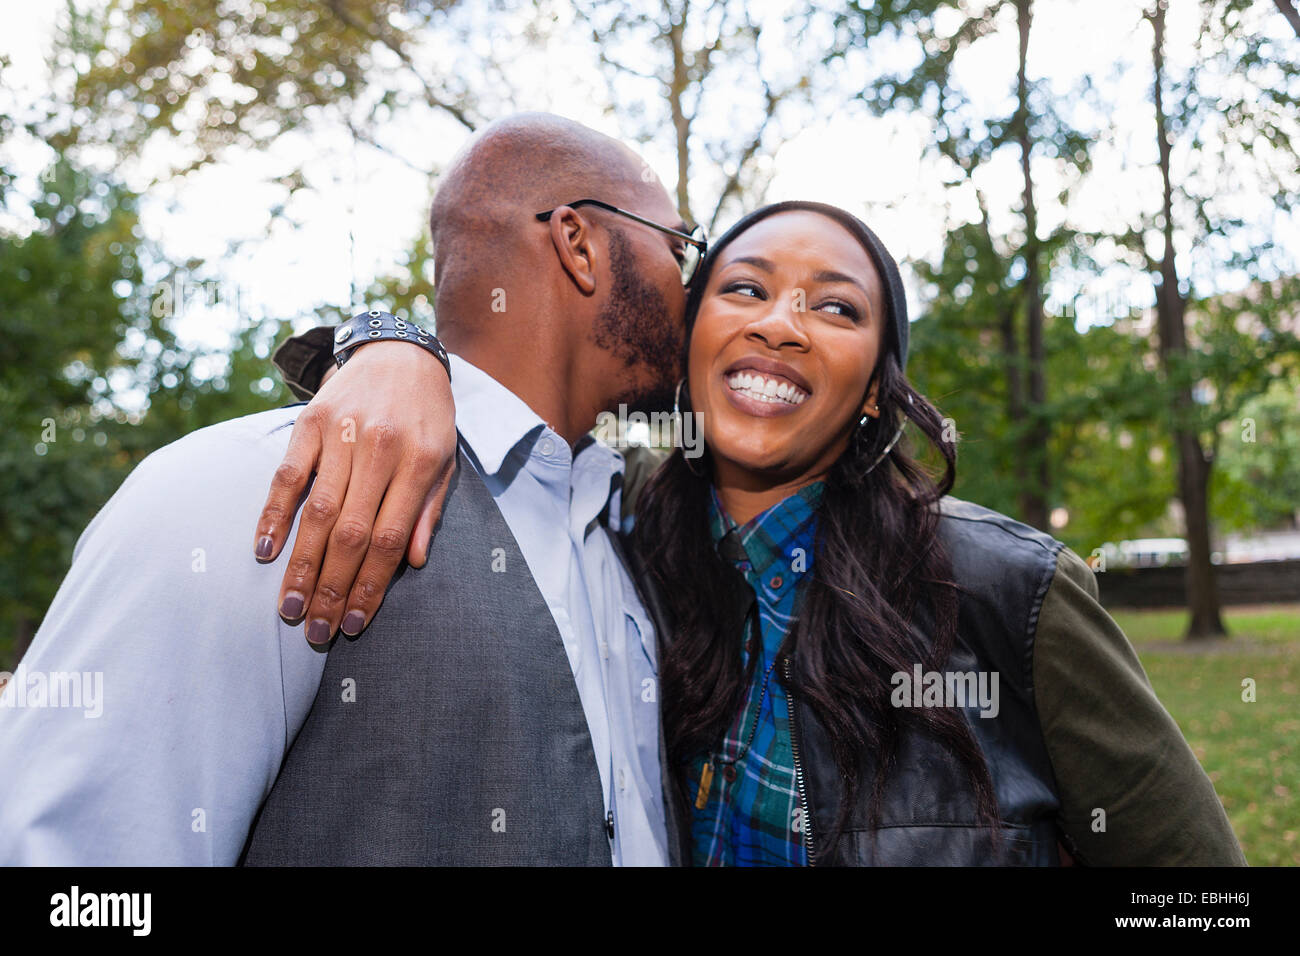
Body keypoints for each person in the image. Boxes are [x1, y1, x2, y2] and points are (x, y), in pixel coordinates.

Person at [268, 201, 1248, 866]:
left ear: (872, 392)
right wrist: (388, 343)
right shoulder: (609, 548)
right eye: (743, 289)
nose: (782, 323)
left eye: (835, 305)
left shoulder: (1008, 589)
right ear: (686, 345)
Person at [0, 113, 699, 865]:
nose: (690, 288)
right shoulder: (252, 491)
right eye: (679, 247)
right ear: (579, 243)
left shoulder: (629, 526)